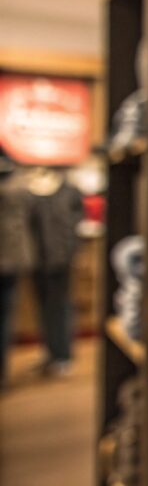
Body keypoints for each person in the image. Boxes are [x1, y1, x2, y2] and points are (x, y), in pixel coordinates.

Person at [26, 167, 84, 378]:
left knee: (60, 307)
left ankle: (62, 355)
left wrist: (71, 250)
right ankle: (51, 353)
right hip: (38, 259)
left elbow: (75, 222)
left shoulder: (68, 190)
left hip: (61, 259)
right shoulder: (30, 189)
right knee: (44, 307)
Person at [0, 156, 35, 388]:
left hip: (11, 261)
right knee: (6, 316)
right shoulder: (20, 185)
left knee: (6, 315)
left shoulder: (17, 187)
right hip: (13, 259)